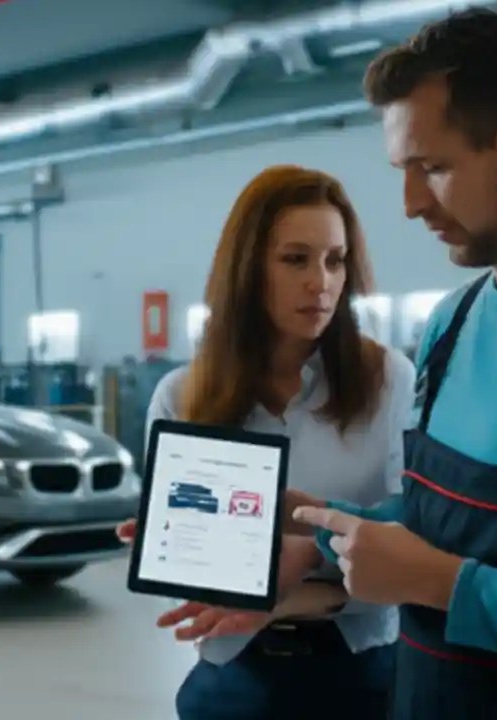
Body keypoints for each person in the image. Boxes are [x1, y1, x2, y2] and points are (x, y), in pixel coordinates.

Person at [166, 8, 497, 719]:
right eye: (403, 172)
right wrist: (315, 523)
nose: (410, 204)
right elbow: (431, 518)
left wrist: (448, 586)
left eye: (434, 168)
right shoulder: (453, 322)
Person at [119, 164, 416, 719]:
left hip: (364, 682)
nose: (321, 282)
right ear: (248, 269)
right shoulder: (182, 396)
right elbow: (187, 590)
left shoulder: (389, 381)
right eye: (295, 259)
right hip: (233, 686)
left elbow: (409, 550)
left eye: (335, 260)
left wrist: (280, 583)